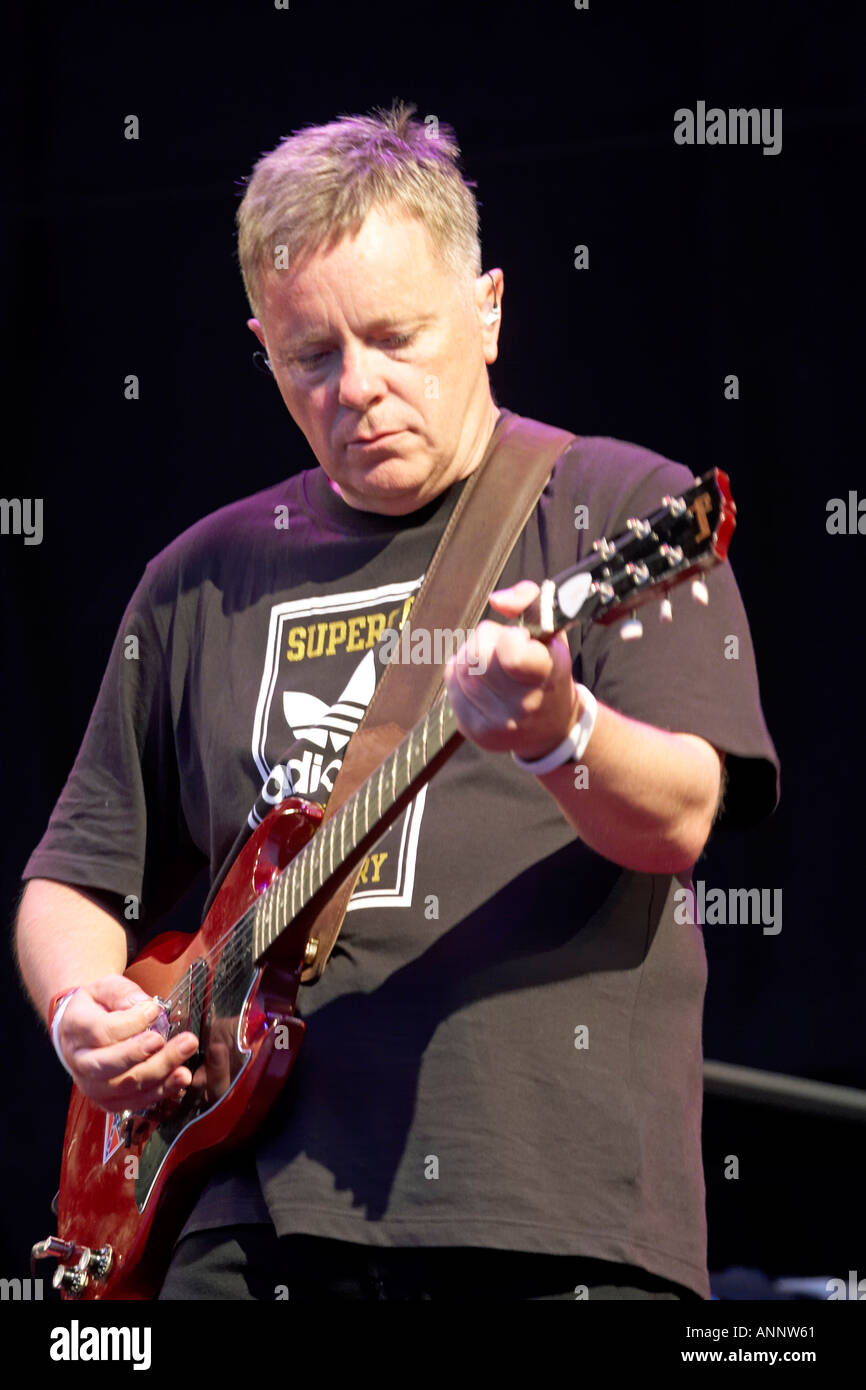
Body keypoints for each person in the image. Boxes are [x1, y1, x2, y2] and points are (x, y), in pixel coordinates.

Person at [15, 102, 779, 1301]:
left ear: (485, 311)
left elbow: (682, 817)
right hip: (234, 1219)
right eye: (310, 355)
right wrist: (78, 1008)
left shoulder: (620, 506)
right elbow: (74, 872)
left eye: (395, 337)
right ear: (259, 343)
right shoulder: (201, 576)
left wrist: (555, 731)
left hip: (539, 1213)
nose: (356, 388)